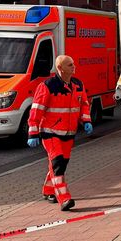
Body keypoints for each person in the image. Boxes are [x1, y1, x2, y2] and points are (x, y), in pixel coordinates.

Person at [28, 54, 92, 212]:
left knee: (61, 164)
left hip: (69, 133)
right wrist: (33, 133)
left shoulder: (78, 85)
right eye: (70, 65)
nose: (74, 66)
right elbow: (36, 111)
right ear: (60, 68)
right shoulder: (47, 86)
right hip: (50, 133)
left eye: (73, 63)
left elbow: (83, 104)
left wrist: (87, 121)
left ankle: (49, 190)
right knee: (58, 165)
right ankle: (64, 198)